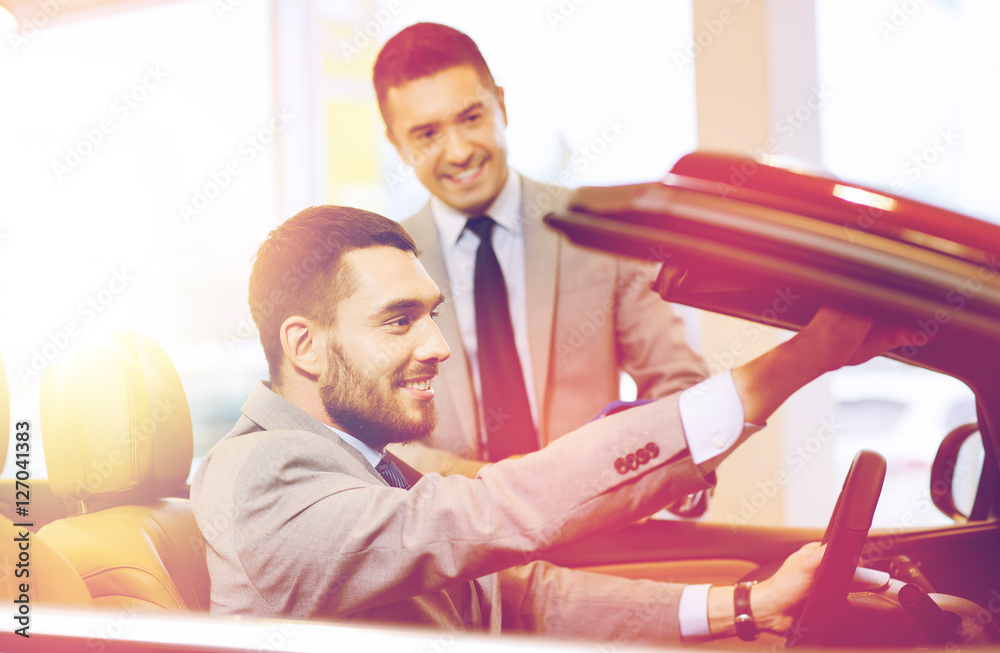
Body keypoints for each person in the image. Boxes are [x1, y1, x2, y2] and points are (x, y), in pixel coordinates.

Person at [191, 205, 906, 644]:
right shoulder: (260, 472)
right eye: (398, 320)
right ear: (304, 345)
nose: (437, 346)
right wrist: (802, 358)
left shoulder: (355, 464)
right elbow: (497, 507)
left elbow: (522, 599)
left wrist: (747, 606)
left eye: (431, 314)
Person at [372, 22, 711, 485]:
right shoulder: (381, 265)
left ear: (502, 106)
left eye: (471, 117)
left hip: (599, 521)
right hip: (456, 539)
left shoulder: (598, 229)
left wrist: (668, 475)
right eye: (427, 134)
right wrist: (491, 490)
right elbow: (373, 431)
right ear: (398, 145)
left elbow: (677, 380)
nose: (458, 152)